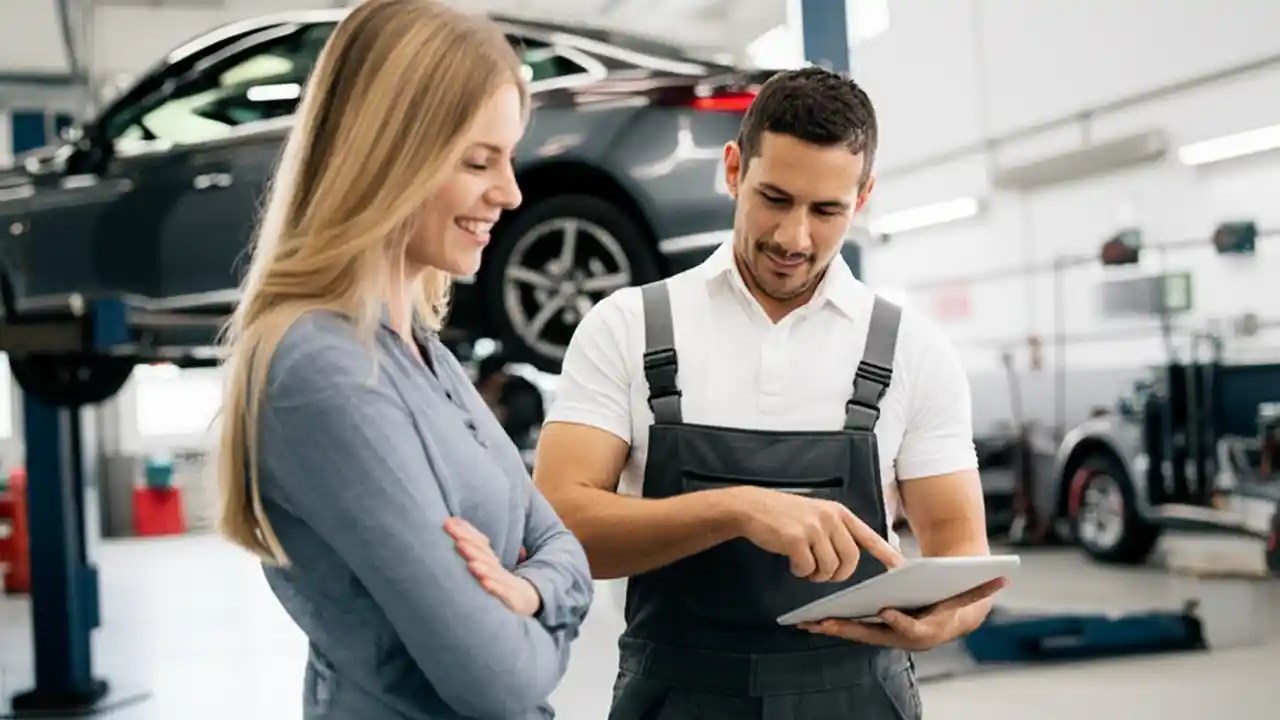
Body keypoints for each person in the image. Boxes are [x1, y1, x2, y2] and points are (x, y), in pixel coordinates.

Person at [534, 66, 1006, 718]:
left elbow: (964, 552)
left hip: (859, 698)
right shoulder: (629, 329)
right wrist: (736, 510)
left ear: (862, 198)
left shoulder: (911, 351)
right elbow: (562, 527)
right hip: (676, 698)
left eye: (826, 210)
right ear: (733, 170)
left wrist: (947, 621)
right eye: (775, 199)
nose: (794, 238)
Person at [213, 2, 593, 718]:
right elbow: (501, 679)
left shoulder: (422, 350)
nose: (511, 192)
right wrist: (552, 614)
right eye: (479, 161)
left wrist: (539, 587)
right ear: (390, 157)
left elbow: (558, 539)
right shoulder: (322, 373)